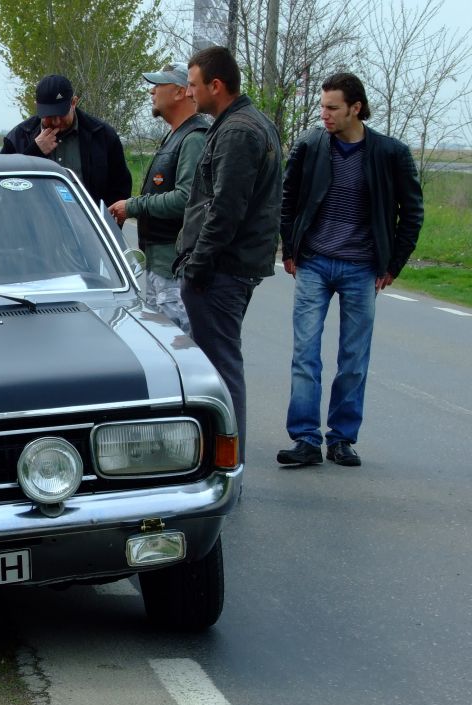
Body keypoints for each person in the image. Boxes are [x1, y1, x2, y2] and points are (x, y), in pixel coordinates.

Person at [277, 73, 424, 468]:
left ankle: (341, 439)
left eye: (332, 108)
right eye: (322, 107)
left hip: (362, 268)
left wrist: (393, 265)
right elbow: (287, 199)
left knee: (354, 357)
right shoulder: (310, 146)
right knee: (305, 354)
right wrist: (290, 248)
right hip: (314, 263)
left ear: (355, 108)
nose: (324, 114)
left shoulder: (390, 154)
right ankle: (306, 439)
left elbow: (412, 213)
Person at [175, 46, 282, 464]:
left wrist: (197, 265)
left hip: (222, 270)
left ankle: (226, 462)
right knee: (221, 362)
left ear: (215, 86)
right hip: (230, 267)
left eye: (194, 84)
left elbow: (225, 210)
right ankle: (223, 457)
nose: (190, 91)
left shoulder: (237, 131)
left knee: (220, 368)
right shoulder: (248, 123)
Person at [109, 62, 207, 333]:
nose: (152, 92)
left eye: (158, 85)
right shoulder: (174, 136)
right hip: (159, 267)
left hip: (173, 269)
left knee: (176, 345)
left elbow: (187, 198)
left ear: (179, 92)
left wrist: (133, 206)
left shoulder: (194, 138)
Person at [1, 74, 132, 207]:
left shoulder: (102, 135)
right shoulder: (19, 137)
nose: (56, 121)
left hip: (86, 225)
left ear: (74, 103)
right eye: (49, 115)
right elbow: (2, 186)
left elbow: (120, 187)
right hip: (34, 224)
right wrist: (34, 151)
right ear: (37, 107)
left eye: (61, 114)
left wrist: (107, 224)